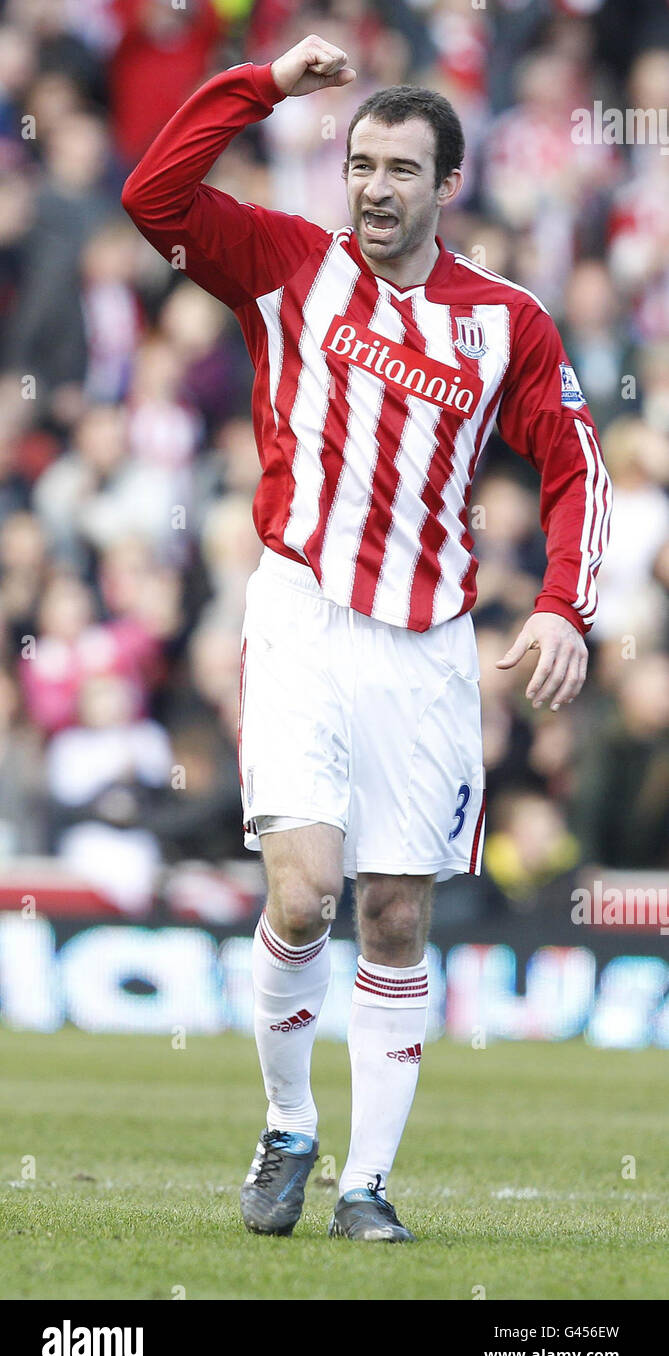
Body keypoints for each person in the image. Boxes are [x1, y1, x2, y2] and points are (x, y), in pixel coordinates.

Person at [122, 34, 612, 1243]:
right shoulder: (284, 265)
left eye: (400, 167)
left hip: (427, 649)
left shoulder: (504, 323)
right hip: (300, 615)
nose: (375, 187)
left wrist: (561, 603)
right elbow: (153, 197)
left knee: (392, 915)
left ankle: (365, 1184)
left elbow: (573, 467)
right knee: (301, 893)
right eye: (359, 164)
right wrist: (260, 86)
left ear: (446, 185)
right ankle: (288, 1124)